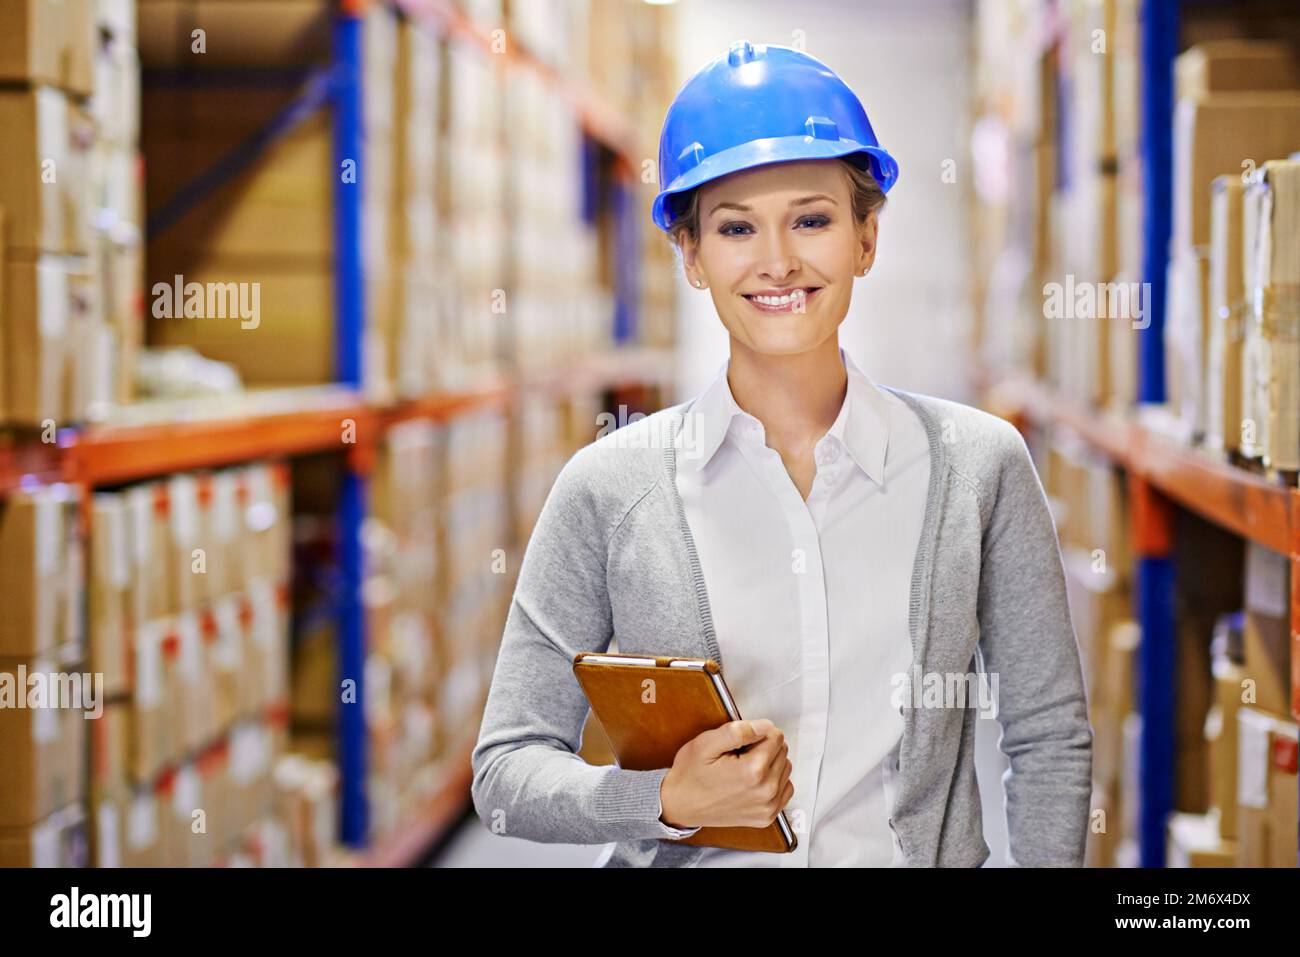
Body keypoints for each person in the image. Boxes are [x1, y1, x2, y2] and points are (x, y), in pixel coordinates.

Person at [471, 40, 1092, 868]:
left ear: (866, 237)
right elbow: (505, 772)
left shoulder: (979, 467)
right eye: (735, 227)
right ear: (690, 255)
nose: (778, 260)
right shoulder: (609, 487)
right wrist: (660, 801)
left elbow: (1050, 737)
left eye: (813, 218)